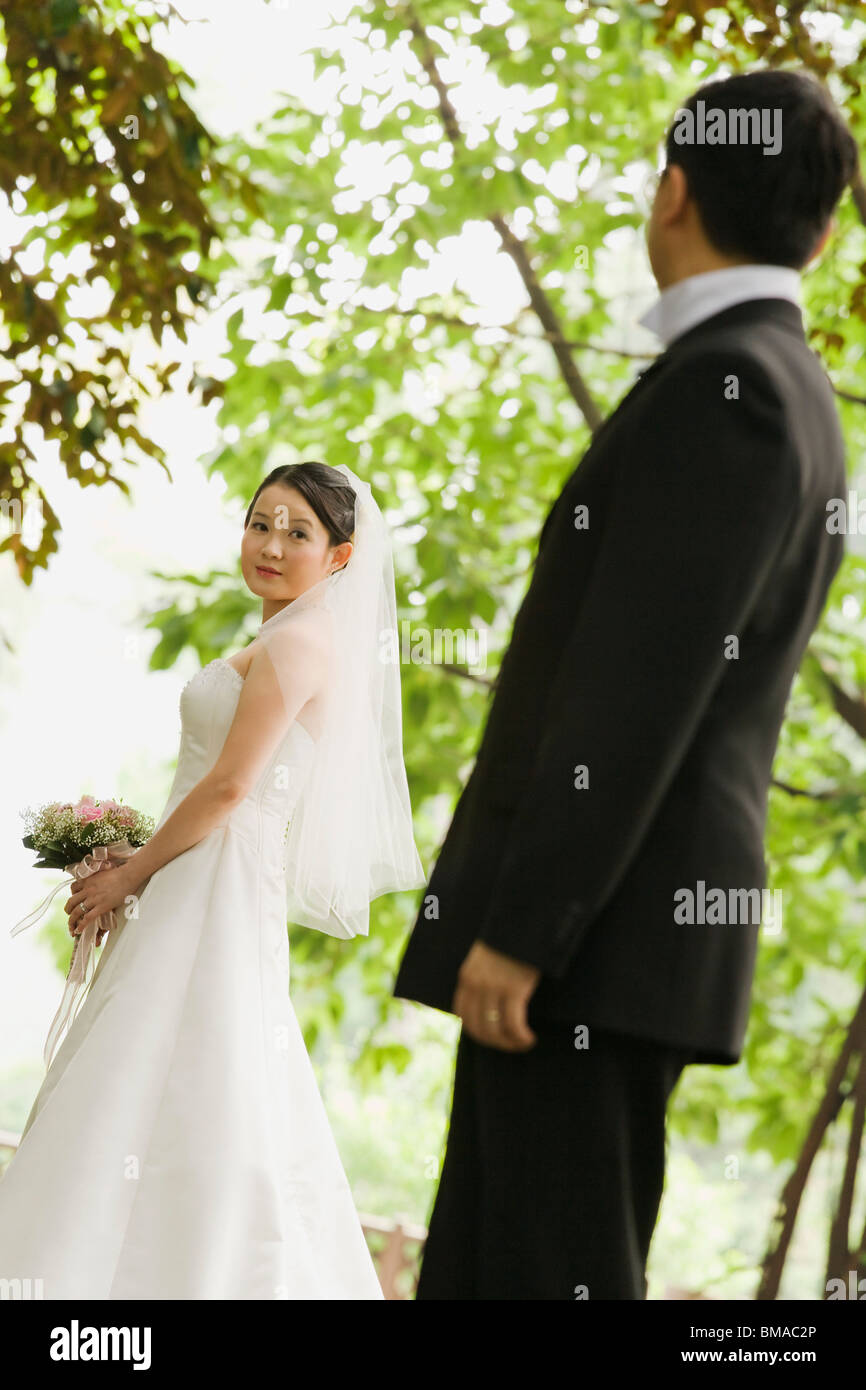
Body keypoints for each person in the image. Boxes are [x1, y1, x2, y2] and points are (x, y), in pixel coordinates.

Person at [393, 68, 859, 1300]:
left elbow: (636, 695)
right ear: (818, 229)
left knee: (541, 1275)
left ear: (672, 193)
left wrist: (522, 927)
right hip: (612, 935)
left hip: (592, 940)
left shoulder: (734, 393)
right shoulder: (783, 387)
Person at [0, 461, 425, 1299]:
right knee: (170, 1064)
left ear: (339, 558)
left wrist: (131, 875)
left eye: (298, 532)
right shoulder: (279, 636)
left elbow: (232, 788)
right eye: (260, 522)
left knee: (201, 1065)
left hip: (218, 876)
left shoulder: (300, 641)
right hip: (197, 868)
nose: (271, 544)